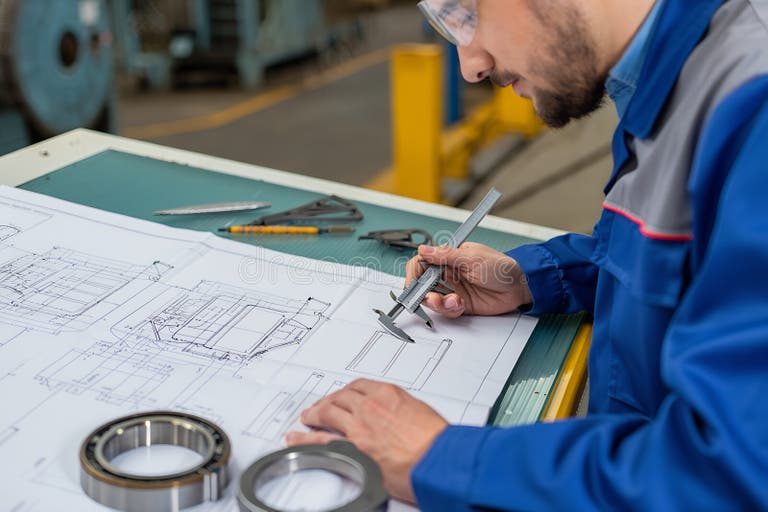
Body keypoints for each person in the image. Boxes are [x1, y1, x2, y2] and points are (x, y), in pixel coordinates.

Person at [287, 0, 768, 508]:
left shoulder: (752, 106)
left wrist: (441, 460)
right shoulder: (673, 71)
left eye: (464, 13)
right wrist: (527, 279)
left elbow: (731, 478)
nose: (471, 66)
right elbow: (686, 259)